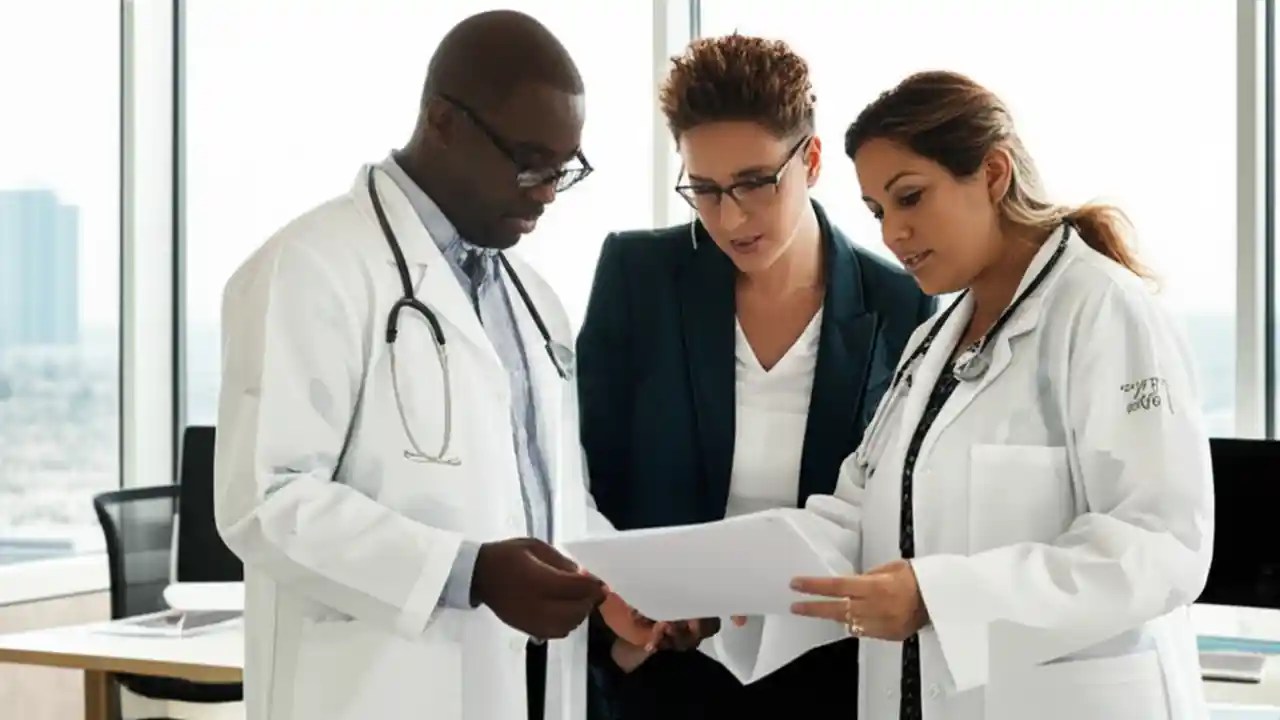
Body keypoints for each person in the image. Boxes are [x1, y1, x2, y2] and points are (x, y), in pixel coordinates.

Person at [709, 70, 1215, 720]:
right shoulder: (931, 344)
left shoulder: (1102, 310)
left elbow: (1159, 545)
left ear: (993, 174)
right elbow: (859, 515)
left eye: (910, 198)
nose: (892, 233)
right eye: (878, 211)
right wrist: (730, 583)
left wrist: (936, 596)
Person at [213, 11, 664, 720]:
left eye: (563, 169)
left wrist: (616, 583)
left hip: (530, 688)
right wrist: (470, 573)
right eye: (530, 161)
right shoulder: (309, 267)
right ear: (442, 121)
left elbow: (553, 499)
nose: (547, 191)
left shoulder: (533, 298)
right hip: (371, 693)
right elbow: (267, 502)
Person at [577, 35, 935, 718]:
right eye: (705, 191)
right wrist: (613, 601)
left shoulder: (901, 304)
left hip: (827, 673)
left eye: (754, 184)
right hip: (660, 666)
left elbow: (900, 506)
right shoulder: (638, 276)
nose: (730, 217)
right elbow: (585, 468)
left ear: (814, 160)